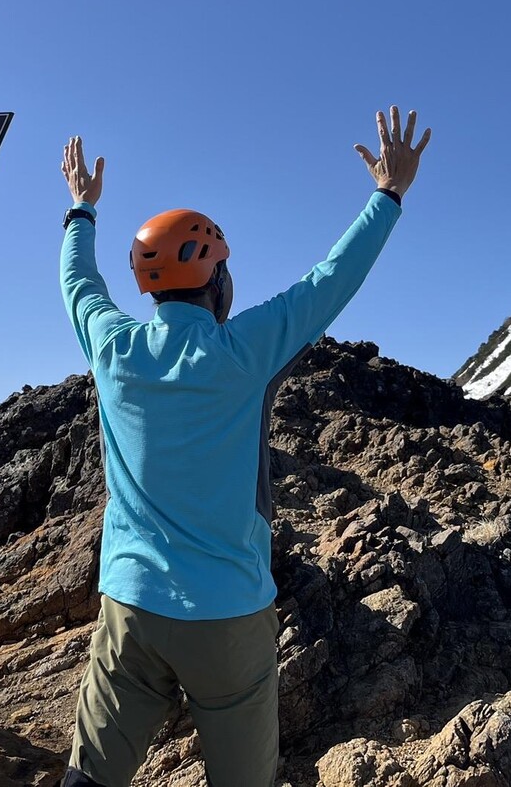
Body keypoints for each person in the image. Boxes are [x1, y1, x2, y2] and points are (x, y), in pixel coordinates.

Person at [58, 106, 431, 787]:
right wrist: (387, 196)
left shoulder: (112, 347)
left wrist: (81, 210)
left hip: (130, 608)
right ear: (217, 280)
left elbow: (78, 283)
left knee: (90, 776)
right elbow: (327, 282)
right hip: (228, 614)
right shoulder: (242, 351)